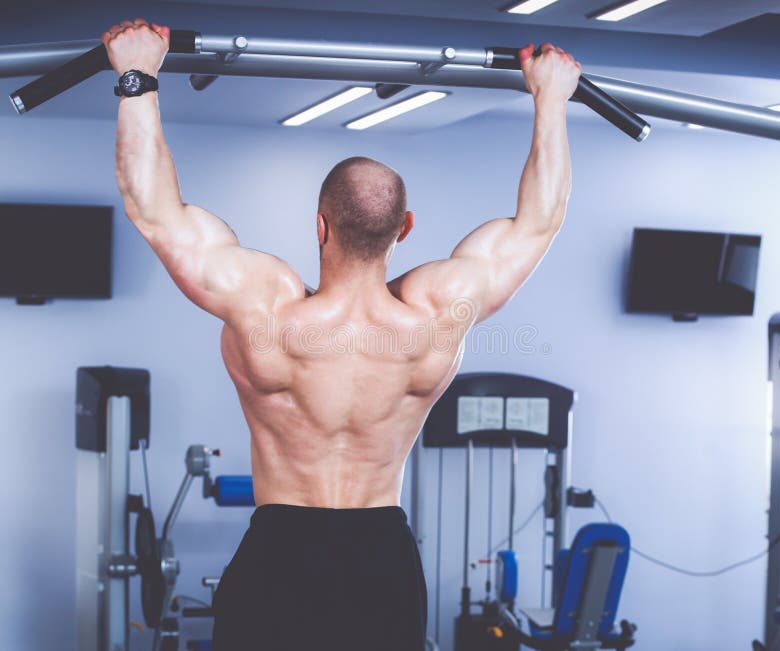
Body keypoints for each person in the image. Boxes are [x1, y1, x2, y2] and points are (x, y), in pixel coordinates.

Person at [102, 18, 580, 651]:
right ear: (404, 227)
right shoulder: (438, 314)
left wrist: (139, 78)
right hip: (381, 556)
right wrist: (550, 99)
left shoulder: (263, 307)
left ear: (319, 226)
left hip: (279, 550)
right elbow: (538, 224)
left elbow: (153, 209)